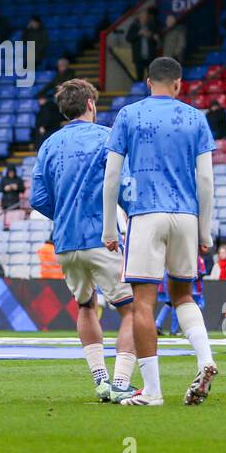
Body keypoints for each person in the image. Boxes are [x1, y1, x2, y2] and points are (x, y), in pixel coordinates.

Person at [101, 56, 217, 407]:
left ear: (148, 83)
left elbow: (111, 178)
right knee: (183, 294)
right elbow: (207, 180)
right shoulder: (196, 118)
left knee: (143, 303)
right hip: (185, 215)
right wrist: (205, 230)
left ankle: (152, 390)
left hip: (145, 214)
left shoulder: (129, 115)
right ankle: (205, 359)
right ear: (179, 84)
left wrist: (109, 227)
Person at [29, 78, 139, 402]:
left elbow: (37, 198)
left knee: (85, 304)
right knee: (132, 309)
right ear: (91, 104)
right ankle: (120, 383)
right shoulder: (107, 138)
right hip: (101, 238)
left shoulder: (48, 145)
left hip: (64, 243)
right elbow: (125, 187)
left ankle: (101, 381)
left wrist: (64, 215)